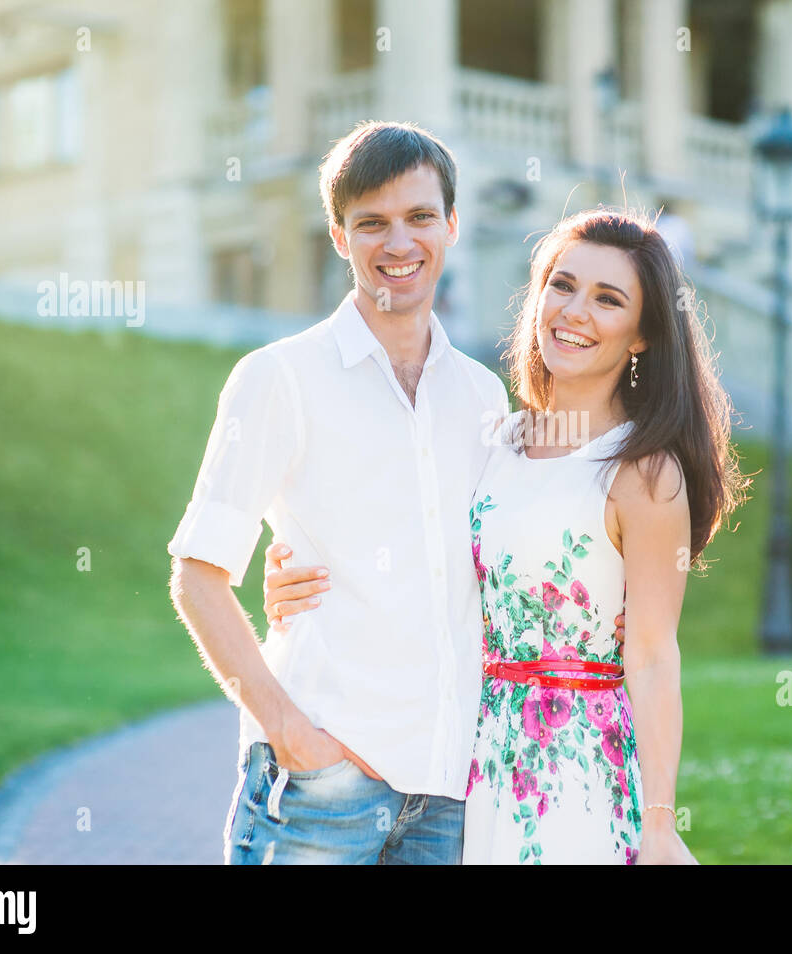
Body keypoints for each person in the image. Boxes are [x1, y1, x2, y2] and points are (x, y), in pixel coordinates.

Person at [265, 207, 746, 864]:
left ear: (641, 337)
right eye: (562, 285)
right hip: (473, 760)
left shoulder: (645, 472)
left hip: (578, 769)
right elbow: (414, 552)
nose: (575, 310)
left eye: (608, 299)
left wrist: (658, 825)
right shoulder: (497, 436)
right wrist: (295, 575)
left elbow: (656, 657)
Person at [168, 121, 509, 864]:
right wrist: (289, 731)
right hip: (324, 786)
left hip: (449, 794)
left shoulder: (484, 395)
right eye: (372, 223)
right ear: (337, 236)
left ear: (452, 224)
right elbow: (197, 575)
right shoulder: (280, 377)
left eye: (420, 217)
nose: (399, 244)